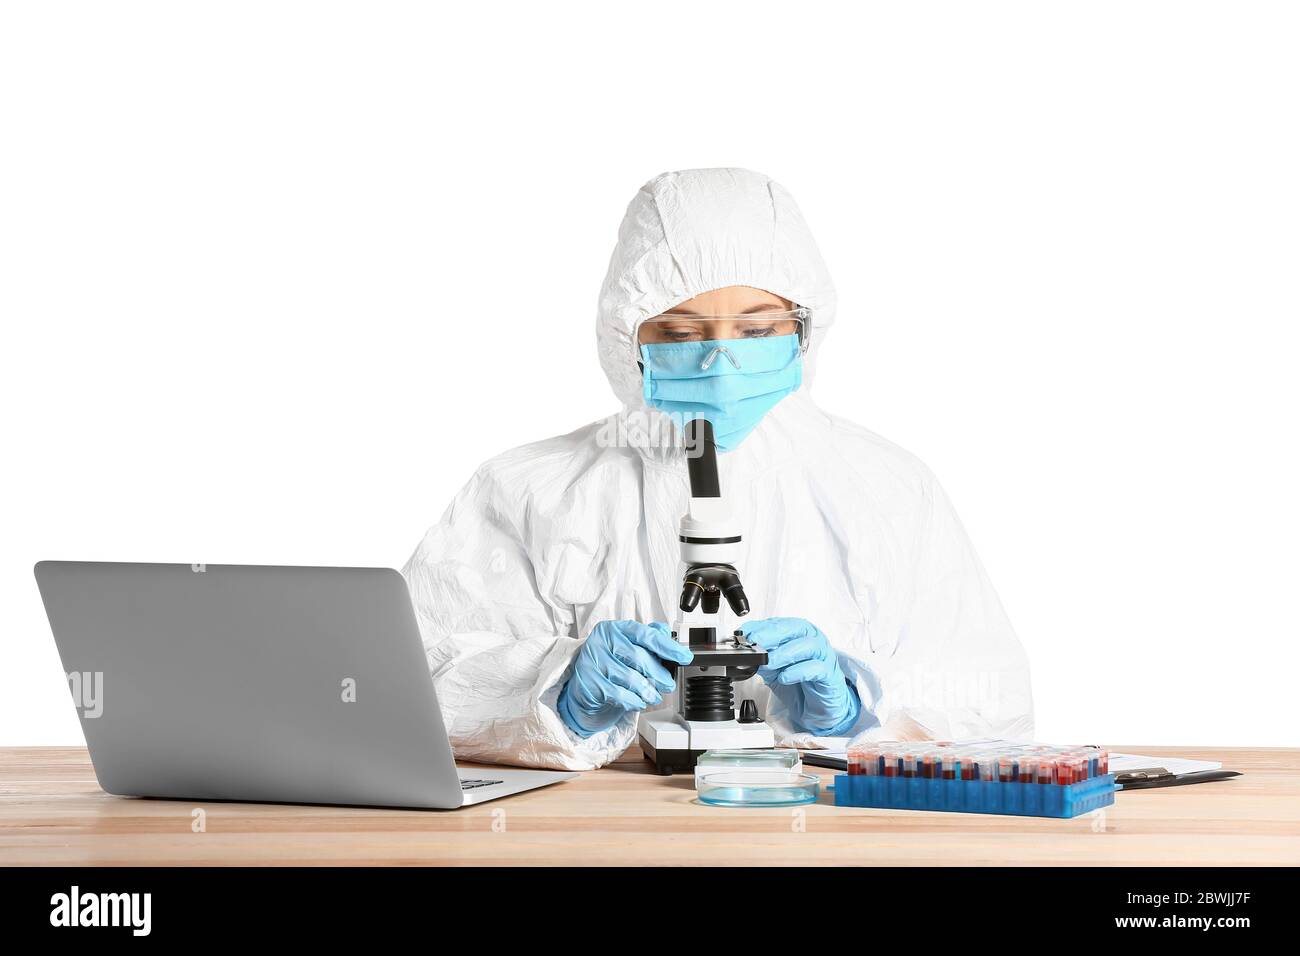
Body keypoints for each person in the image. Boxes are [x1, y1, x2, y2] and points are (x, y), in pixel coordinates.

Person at [402, 167, 1033, 770]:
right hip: (600, 838)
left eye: (757, 333)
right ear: (627, 342)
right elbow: (405, 681)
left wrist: (855, 708)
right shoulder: (529, 491)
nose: (720, 364)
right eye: (679, 334)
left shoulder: (887, 489)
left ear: (803, 331)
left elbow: (990, 702)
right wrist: (556, 694)